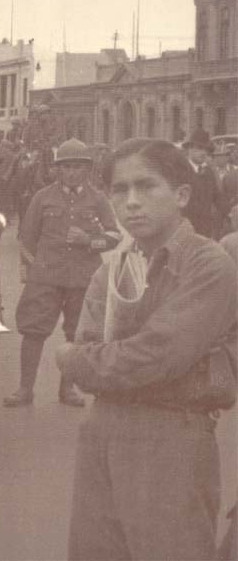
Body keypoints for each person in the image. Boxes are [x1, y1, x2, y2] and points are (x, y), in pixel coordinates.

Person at [56, 138, 238, 560]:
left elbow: (158, 355)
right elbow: (92, 342)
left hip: (172, 435)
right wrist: (89, 360)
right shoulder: (116, 267)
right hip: (102, 431)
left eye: (146, 186)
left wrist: (70, 358)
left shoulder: (208, 264)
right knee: (96, 551)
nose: (131, 202)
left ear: (182, 195)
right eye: (120, 190)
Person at [4, 138, 121, 409]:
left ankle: (67, 389)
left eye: (78, 167)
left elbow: (114, 235)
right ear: (57, 169)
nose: (71, 172)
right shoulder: (42, 197)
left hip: (83, 278)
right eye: (66, 167)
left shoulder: (98, 199)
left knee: (77, 335)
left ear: (87, 169)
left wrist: (90, 240)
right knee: (33, 331)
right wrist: (31, 269)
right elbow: (26, 237)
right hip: (45, 277)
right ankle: (25, 389)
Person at [183, 129, 228, 239]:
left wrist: (230, 213)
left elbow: (217, 198)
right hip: (184, 231)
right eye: (199, 148)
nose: (203, 153)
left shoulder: (208, 172)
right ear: (189, 149)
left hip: (204, 232)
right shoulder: (180, 171)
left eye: (205, 149)